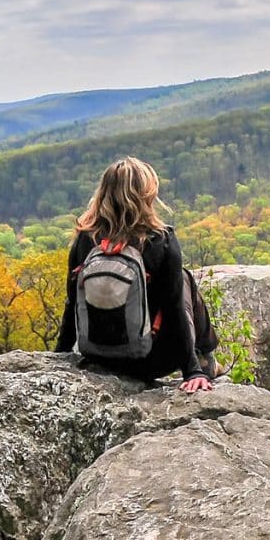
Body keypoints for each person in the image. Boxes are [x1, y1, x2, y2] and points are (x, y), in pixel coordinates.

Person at [56, 157, 219, 392]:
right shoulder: (160, 240)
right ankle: (206, 358)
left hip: (97, 358)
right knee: (183, 279)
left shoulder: (85, 238)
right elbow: (174, 312)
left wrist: (60, 356)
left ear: (104, 193)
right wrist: (192, 370)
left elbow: (72, 303)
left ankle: (203, 358)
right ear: (145, 195)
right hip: (150, 361)